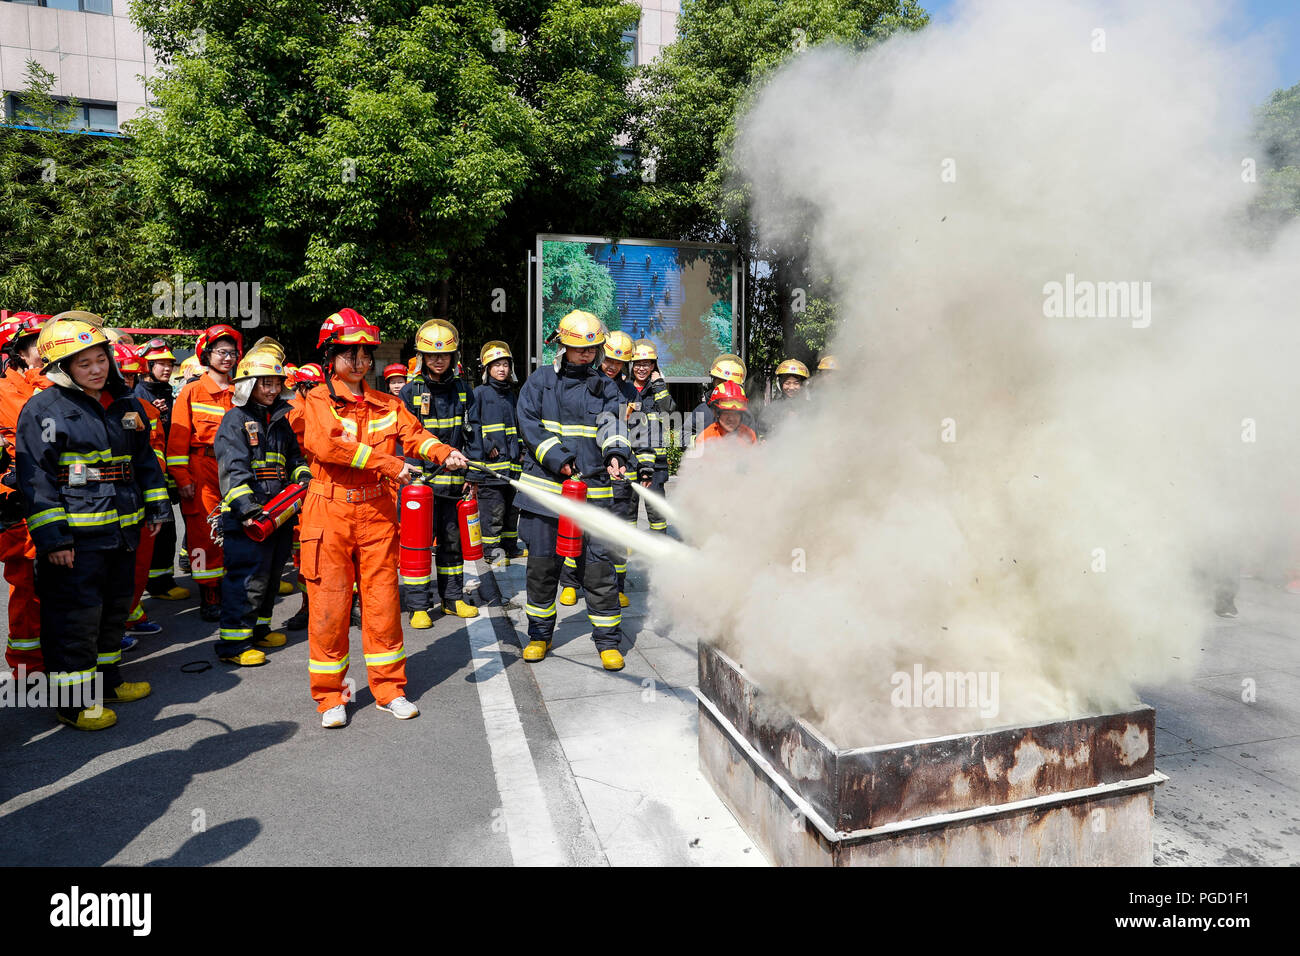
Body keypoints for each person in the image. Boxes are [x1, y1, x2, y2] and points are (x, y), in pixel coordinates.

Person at [297, 308, 466, 727]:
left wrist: (444, 452)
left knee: (383, 604)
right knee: (329, 607)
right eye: (348, 353)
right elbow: (328, 446)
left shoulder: (388, 403)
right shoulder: (316, 400)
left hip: (375, 513)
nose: (358, 362)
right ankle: (331, 697)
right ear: (330, 357)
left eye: (364, 354)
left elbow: (415, 434)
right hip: (329, 512)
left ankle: (389, 689)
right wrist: (390, 465)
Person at [15, 312, 171, 731]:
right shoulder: (43, 409)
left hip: (122, 530)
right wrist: (53, 540)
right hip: (76, 539)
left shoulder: (123, 403)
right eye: (84, 363)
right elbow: (38, 481)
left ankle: (107, 682)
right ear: (62, 368)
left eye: (100, 358)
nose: (97, 368)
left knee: (113, 611)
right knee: (74, 619)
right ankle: (71, 703)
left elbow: (144, 461)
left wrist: (156, 507)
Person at [516, 310, 633, 671]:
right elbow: (528, 423)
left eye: (592, 350)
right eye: (578, 349)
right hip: (546, 496)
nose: (586, 355)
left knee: (599, 572)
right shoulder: (540, 382)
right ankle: (539, 635)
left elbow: (614, 426)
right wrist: (559, 459)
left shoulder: (607, 386)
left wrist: (616, 453)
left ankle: (608, 643)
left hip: (593, 495)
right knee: (542, 569)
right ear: (563, 345)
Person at [214, 347, 311, 666]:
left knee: (270, 575)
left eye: (275, 383)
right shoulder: (235, 420)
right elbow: (233, 470)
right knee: (246, 578)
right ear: (247, 385)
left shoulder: (280, 420)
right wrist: (248, 510)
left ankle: (258, 629)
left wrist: (303, 475)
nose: (271, 390)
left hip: (278, 512)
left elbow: (294, 458)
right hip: (248, 517)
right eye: (264, 383)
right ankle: (233, 644)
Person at [558, 330, 652, 609]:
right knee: (576, 527)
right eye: (610, 359)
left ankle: (616, 586)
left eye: (620, 363)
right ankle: (570, 583)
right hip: (586, 470)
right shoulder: (585, 383)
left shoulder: (630, 393)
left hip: (619, 475)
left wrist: (644, 468)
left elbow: (640, 432)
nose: (612, 366)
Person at [398, 319, 478, 627]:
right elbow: (402, 440)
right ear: (421, 357)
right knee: (417, 544)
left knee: (451, 543)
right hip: (419, 487)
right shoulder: (409, 393)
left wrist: (472, 476)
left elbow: (475, 435)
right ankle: (419, 605)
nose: (438, 360)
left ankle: (452, 599)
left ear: (454, 357)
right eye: (431, 355)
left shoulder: (463, 392)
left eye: (444, 355)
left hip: (454, 485)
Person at [167, 324, 242, 621]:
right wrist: (183, 479)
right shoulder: (191, 391)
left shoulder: (241, 391)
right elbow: (176, 442)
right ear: (206, 354)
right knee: (203, 534)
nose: (227, 358)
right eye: (221, 352)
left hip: (235, 469)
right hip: (202, 468)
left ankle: (231, 585)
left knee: (238, 529)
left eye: (231, 352)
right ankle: (209, 592)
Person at [0, 312, 50, 676]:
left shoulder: (36, 383)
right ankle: (27, 666)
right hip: (18, 500)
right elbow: (39, 418)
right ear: (17, 350)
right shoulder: (10, 389)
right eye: (38, 345)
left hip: (45, 492)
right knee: (28, 582)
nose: (45, 352)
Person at [113, 343, 166, 643]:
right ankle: (114, 625)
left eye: (133, 378)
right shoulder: (94, 408)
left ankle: (131, 614)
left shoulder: (143, 411)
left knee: (139, 563)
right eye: (124, 376)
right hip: (107, 502)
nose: (128, 383)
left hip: (138, 496)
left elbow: (154, 450)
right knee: (114, 569)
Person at [135, 337, 189, 601]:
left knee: (167, 528)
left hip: (167, 469)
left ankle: (160, 579)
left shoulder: (165, 390)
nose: (167, 368)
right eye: (160, 364)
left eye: (169, 364)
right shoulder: (139, 393)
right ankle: (158, 584)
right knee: (160, 528)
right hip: (152, 472)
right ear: (146, 364)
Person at [467, 341, 524, 567]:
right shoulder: (479, 393)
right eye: (496, 365)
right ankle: (492, 551)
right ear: (487, 369)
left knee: (512, 510)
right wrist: (486, 443)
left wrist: (520, 450)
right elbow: (471, 426)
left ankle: (510, 548)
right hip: (491, 468)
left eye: (505, 365)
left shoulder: (510, 394)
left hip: (512, 466)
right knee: (493, 512)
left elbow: (516, 426)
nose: (502, 369)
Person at [282, 362, 324, 631]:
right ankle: (308, 605)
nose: (315, 390)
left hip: (323, 485)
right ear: (299, 387)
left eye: (318, 386)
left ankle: (344, 603)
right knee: (304, 553)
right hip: (303, 486)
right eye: (310, 386)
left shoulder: (323, 405)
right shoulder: (294, 413)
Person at [628, 338, 675, 533]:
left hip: (655, 460)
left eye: (646, 364)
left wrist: (659, 384)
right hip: (629, 458)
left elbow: (669, 411)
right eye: (637, 364)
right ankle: (628, 546)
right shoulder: (624, 387)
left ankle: (659, 544)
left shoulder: (658, 388)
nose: (641, 368)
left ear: (653, 365)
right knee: (628, 508)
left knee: (656, 508)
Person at [689, 353, 750, 444]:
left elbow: (752, 443)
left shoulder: (746, 415)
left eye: (730, 384)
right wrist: (699, 443)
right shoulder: (702, 410)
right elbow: (685, 434)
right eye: (720, 382)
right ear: (713, 381)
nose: (724, 387)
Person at [757, 358, 810, 438]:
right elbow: (762, 435)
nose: (791, 387)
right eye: (787, 383)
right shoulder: (771, 409)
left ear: (802, 385)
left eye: (796, 383)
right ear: (780, 384)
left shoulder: (811, 408)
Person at [695, 382, 758, 447]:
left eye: (736, 413)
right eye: (726, 413)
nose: (731, 418)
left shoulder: (749, 435)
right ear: (716, 412)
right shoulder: (705, 438)